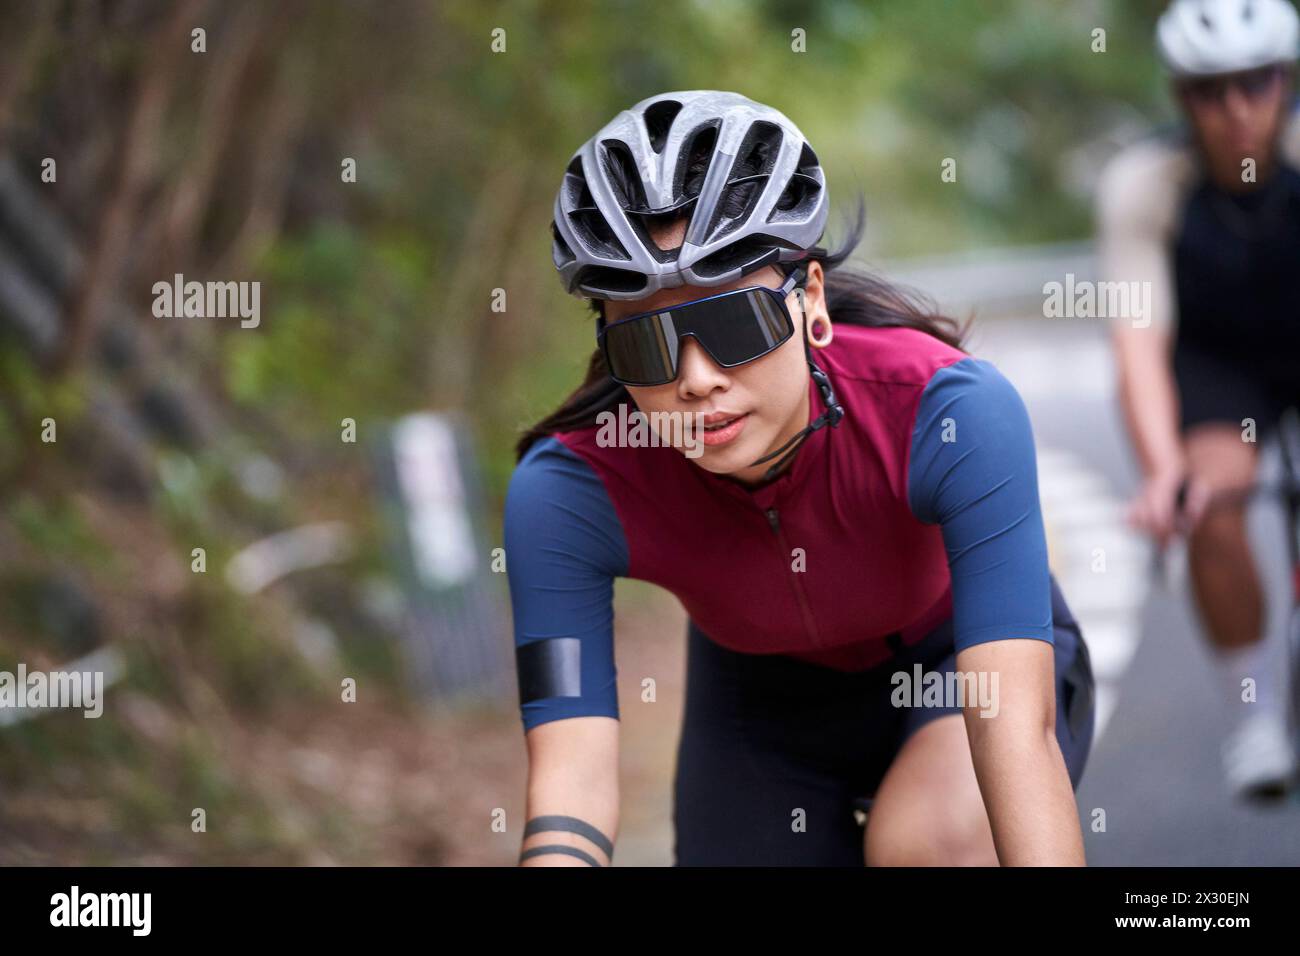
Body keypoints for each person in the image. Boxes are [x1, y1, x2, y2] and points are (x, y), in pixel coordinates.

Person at [505, 90, 1095, 866]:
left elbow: (1012, 731)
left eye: (731, 323)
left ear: (808, 300)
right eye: (646, 345)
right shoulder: (568, 491)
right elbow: (569, 789)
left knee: (927, 845)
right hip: (762, 705)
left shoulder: (950, 410)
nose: (697, 380)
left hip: (956, 666)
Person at [1098, 0, 1300, 799]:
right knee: (1211, 497)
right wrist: (1162, 472)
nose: (1237, 110)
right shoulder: (1144, 184)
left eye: (1256, 84)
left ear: (1284, 82)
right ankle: (1254, 712)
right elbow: (1138, 347)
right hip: (1218, 363)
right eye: (1210, 91)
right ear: (1182, 99)